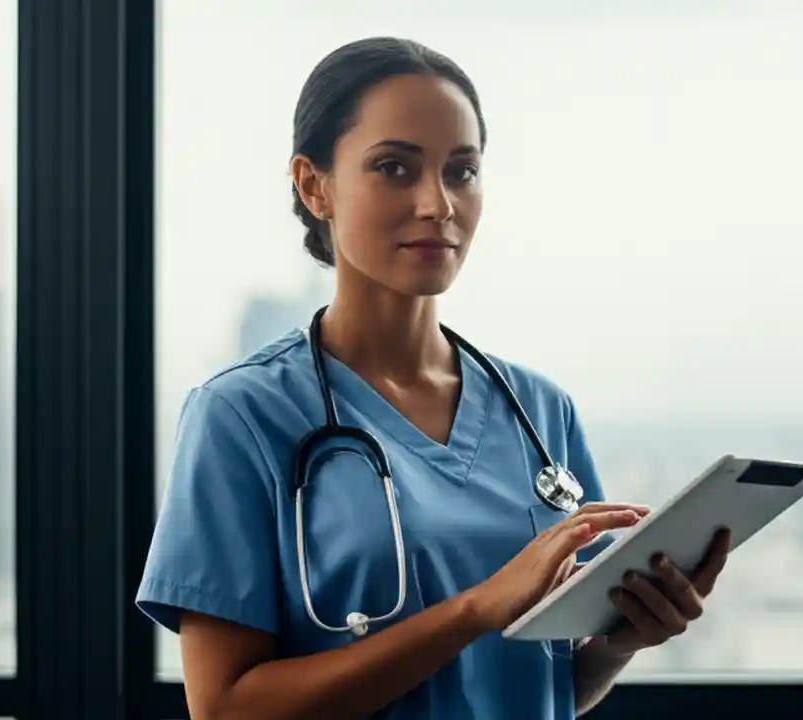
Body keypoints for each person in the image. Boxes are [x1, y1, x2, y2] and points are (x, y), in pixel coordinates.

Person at [135, 36, 731, 720]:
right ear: (314, 185)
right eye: (394, 168)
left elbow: (545, 687)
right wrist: (476, 609)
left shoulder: (538, 409)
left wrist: (624, 642)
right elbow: (226, 710)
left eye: (462, 171)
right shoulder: (242, 415)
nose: (438, 204)